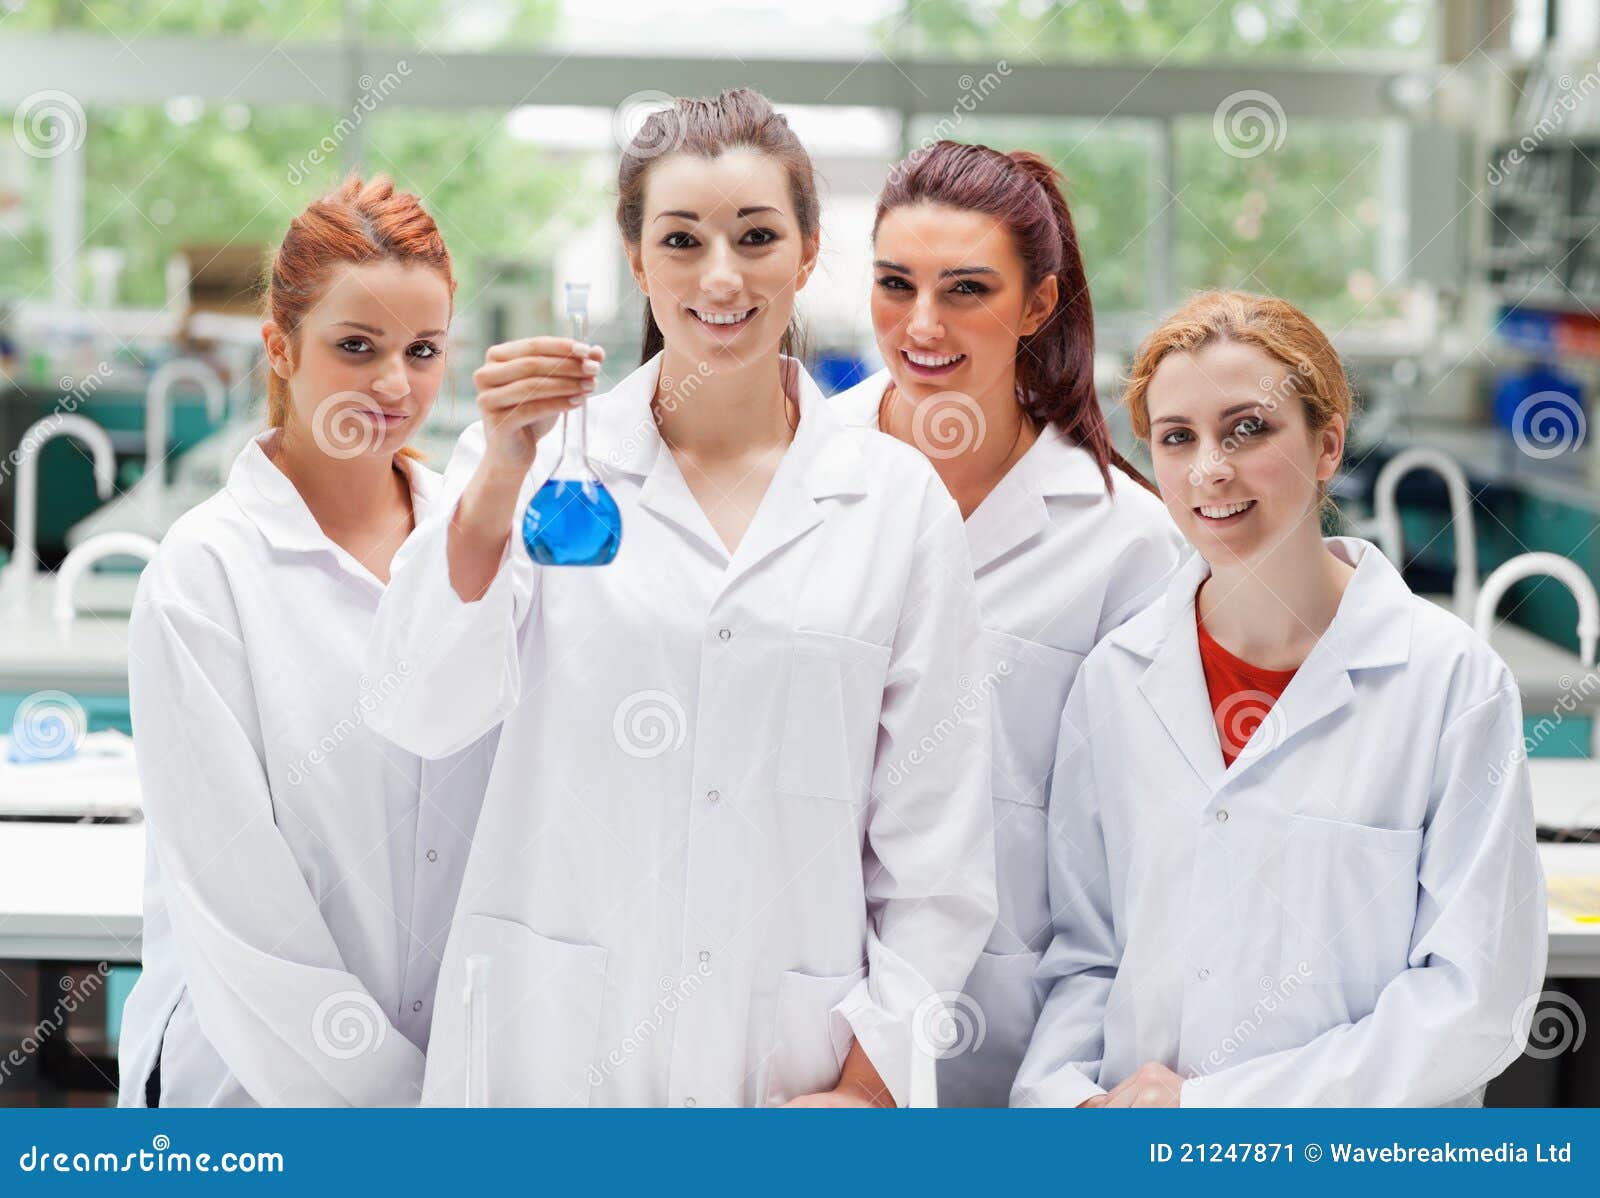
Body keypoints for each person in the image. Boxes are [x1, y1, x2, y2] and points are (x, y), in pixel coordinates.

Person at [365, 89, 996, 1108]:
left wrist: (870, 1086)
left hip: (789, 1069)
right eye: (681, 240)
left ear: (808, 252)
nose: (720, 276)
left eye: (756, 236)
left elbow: (939, 847)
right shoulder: (534, 468)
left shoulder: (895, 501)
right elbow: (418, 709)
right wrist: (498, 478)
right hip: (551, 1051)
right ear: (636, 262)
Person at [1012, 289, 1546, 1107]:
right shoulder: (1116, 677)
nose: (1210, 469)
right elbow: (1086, 955)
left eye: (1248, 429)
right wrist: (1066, 1101)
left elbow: (1475, 1000)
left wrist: (1210, 1108)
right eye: (1177, 438)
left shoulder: (1450, 685)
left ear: (1327, 446)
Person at [118, 176, 498, 1106]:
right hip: (250, 1095)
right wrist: (401, 1108)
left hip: (463, 1092)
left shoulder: (485, 546)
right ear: (280, 348)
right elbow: (245, 916)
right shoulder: (204, 576)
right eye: (356, 346)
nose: (394, 385)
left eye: (422, 350)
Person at [831, 140, 1184, 1105]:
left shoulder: (1124, 542)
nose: (923, 325)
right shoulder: (797, 471)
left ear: (1038, 304)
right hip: (804, 1023)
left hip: (1008, 1037)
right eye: (895, 284)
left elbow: (1145, 840)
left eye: (967, 290)